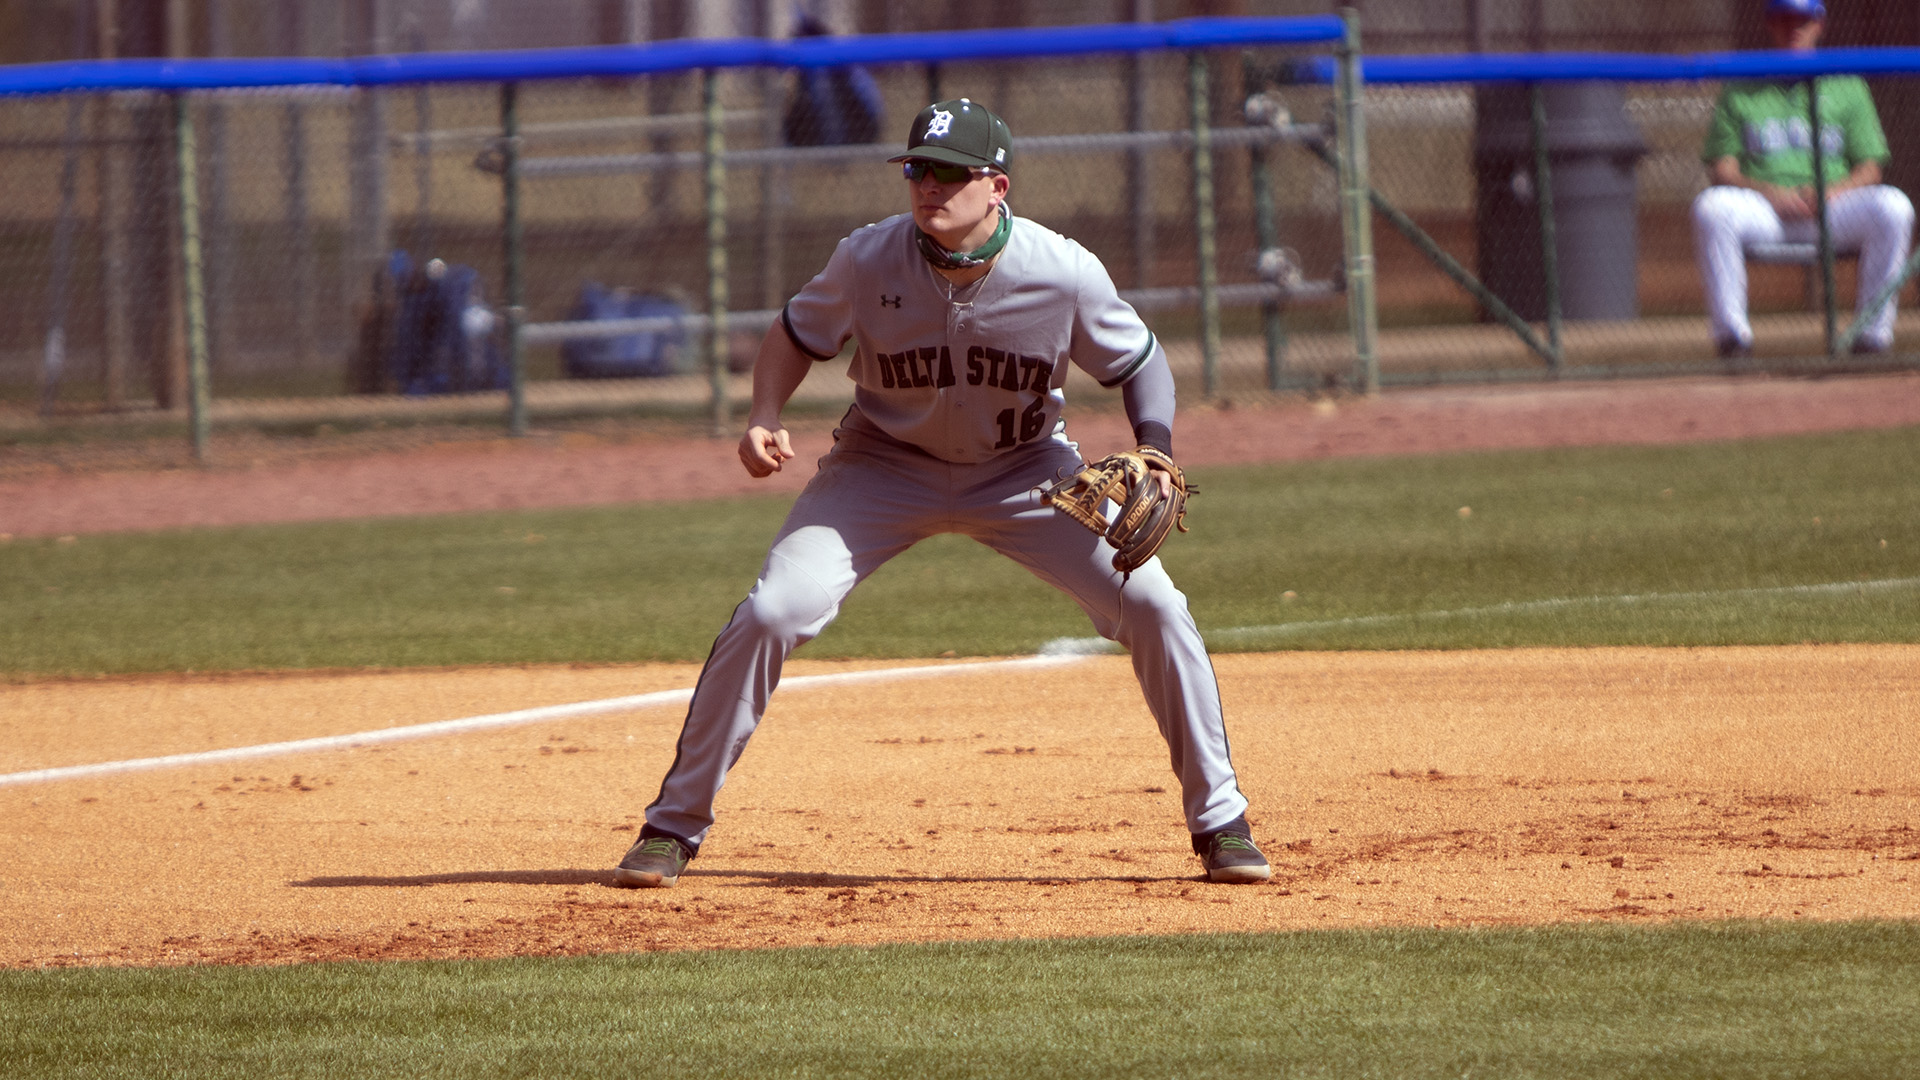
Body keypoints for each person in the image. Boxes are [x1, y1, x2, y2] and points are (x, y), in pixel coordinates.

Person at [613, 99, 1270, 889]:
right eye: (919, 169)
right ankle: (672, 825)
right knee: (772, 612)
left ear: (997, 186)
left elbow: (1139, 362)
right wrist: (763, 416)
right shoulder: (867, 258)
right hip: (881, 466)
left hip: (1027, 473)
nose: (930, 186)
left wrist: (1155, 446)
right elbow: (795, 334)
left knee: (1158, 606)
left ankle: (1221, 822)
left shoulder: (1061, 270)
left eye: (952, 174)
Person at [1692, 0, 1914, 359]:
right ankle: (1732, 340)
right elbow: (1722, 168)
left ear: (1818, 24)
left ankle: (1872, 338)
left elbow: (1870, 167)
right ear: (1770, 24)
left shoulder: (1846, 82)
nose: (1793, 28)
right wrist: (1770, 192)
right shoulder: (1743, 83)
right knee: (1711, 208)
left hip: (1833, 210)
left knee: (1893, 207)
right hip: (1768, 211)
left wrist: (1831, 192)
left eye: (1802, 19)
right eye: (1784, 19)